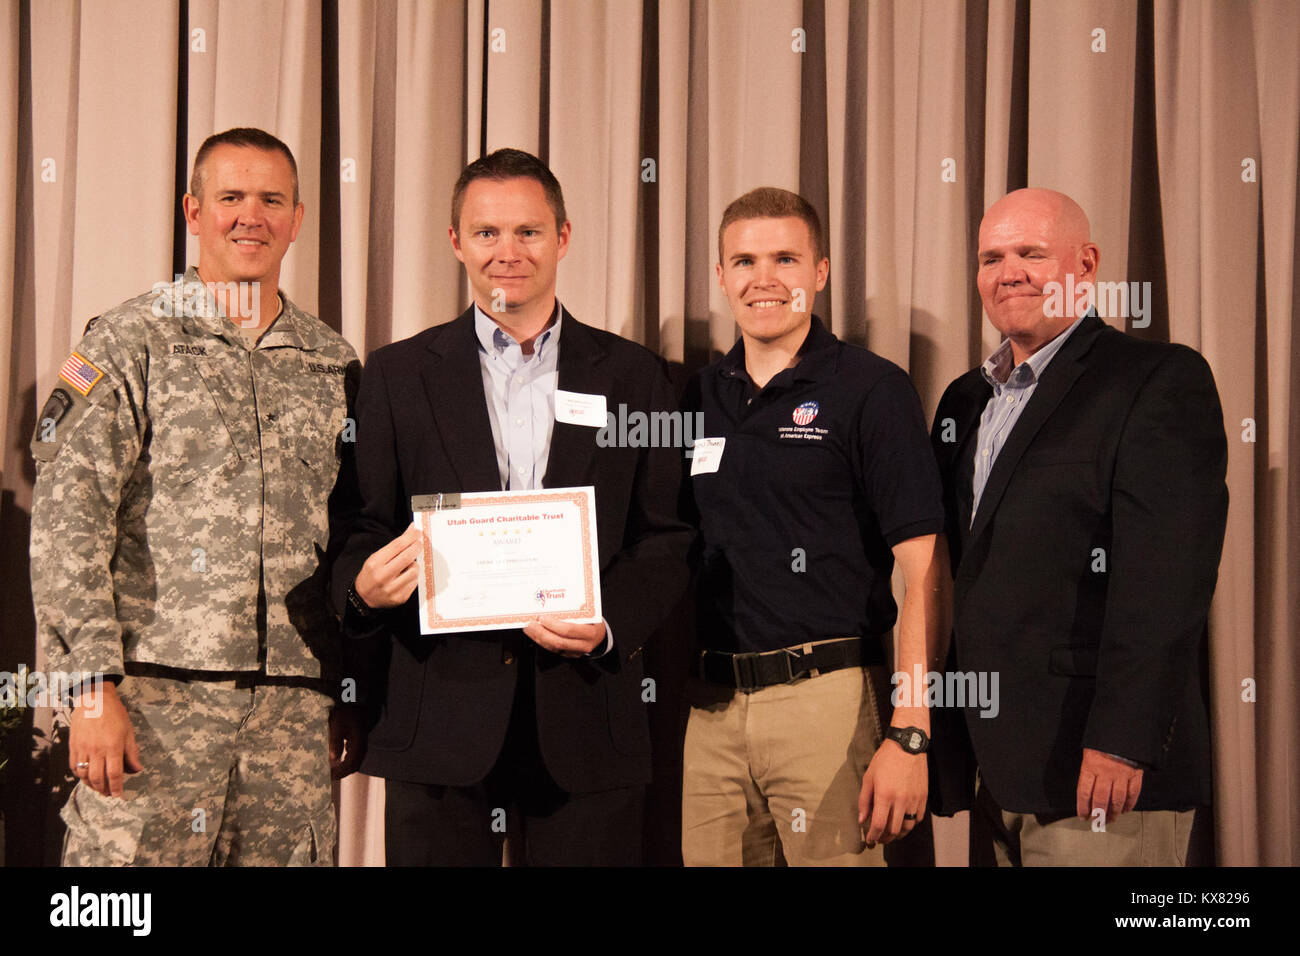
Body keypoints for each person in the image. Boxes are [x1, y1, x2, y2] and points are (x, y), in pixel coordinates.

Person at [329, 148, 692, 866]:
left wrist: (607, 624)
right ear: (456, 241)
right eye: (488, 233)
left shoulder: (636, 376)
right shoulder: (397, 375)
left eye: (528, 232)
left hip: (586, 713)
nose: (507, 252)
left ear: (563, 237)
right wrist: (362, 587)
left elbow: (666, 537)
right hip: (439, 721)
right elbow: (361, 523)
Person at [29, 127, 363, 866]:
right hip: (151, 703)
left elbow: (351, 536)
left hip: (292, 713)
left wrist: (349, 688)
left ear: (298, 218)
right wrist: (89, 686)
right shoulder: (125, 342)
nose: (252, 216)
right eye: (231, 197)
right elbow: (69, 521)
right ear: (192, 210)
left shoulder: (333, 362)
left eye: (272, 199)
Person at [927, 187, 1227, 866]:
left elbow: (1167, 580)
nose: (1009, 272)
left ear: (1086, 265)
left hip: (1105, 778)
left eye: (1032, 253)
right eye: (991, 257)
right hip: (993, 770)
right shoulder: (965, 400)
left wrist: (1123, 738)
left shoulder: (1156, 380)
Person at [678, 187, 951, 866]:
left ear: (820, 272)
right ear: (719, 277)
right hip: (710, 712)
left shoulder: (870, 389)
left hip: (828, 704)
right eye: (743, 260)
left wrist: (911, 730)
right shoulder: (692, 396)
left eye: (785, 258)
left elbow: (925, 571)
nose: (762, 279)